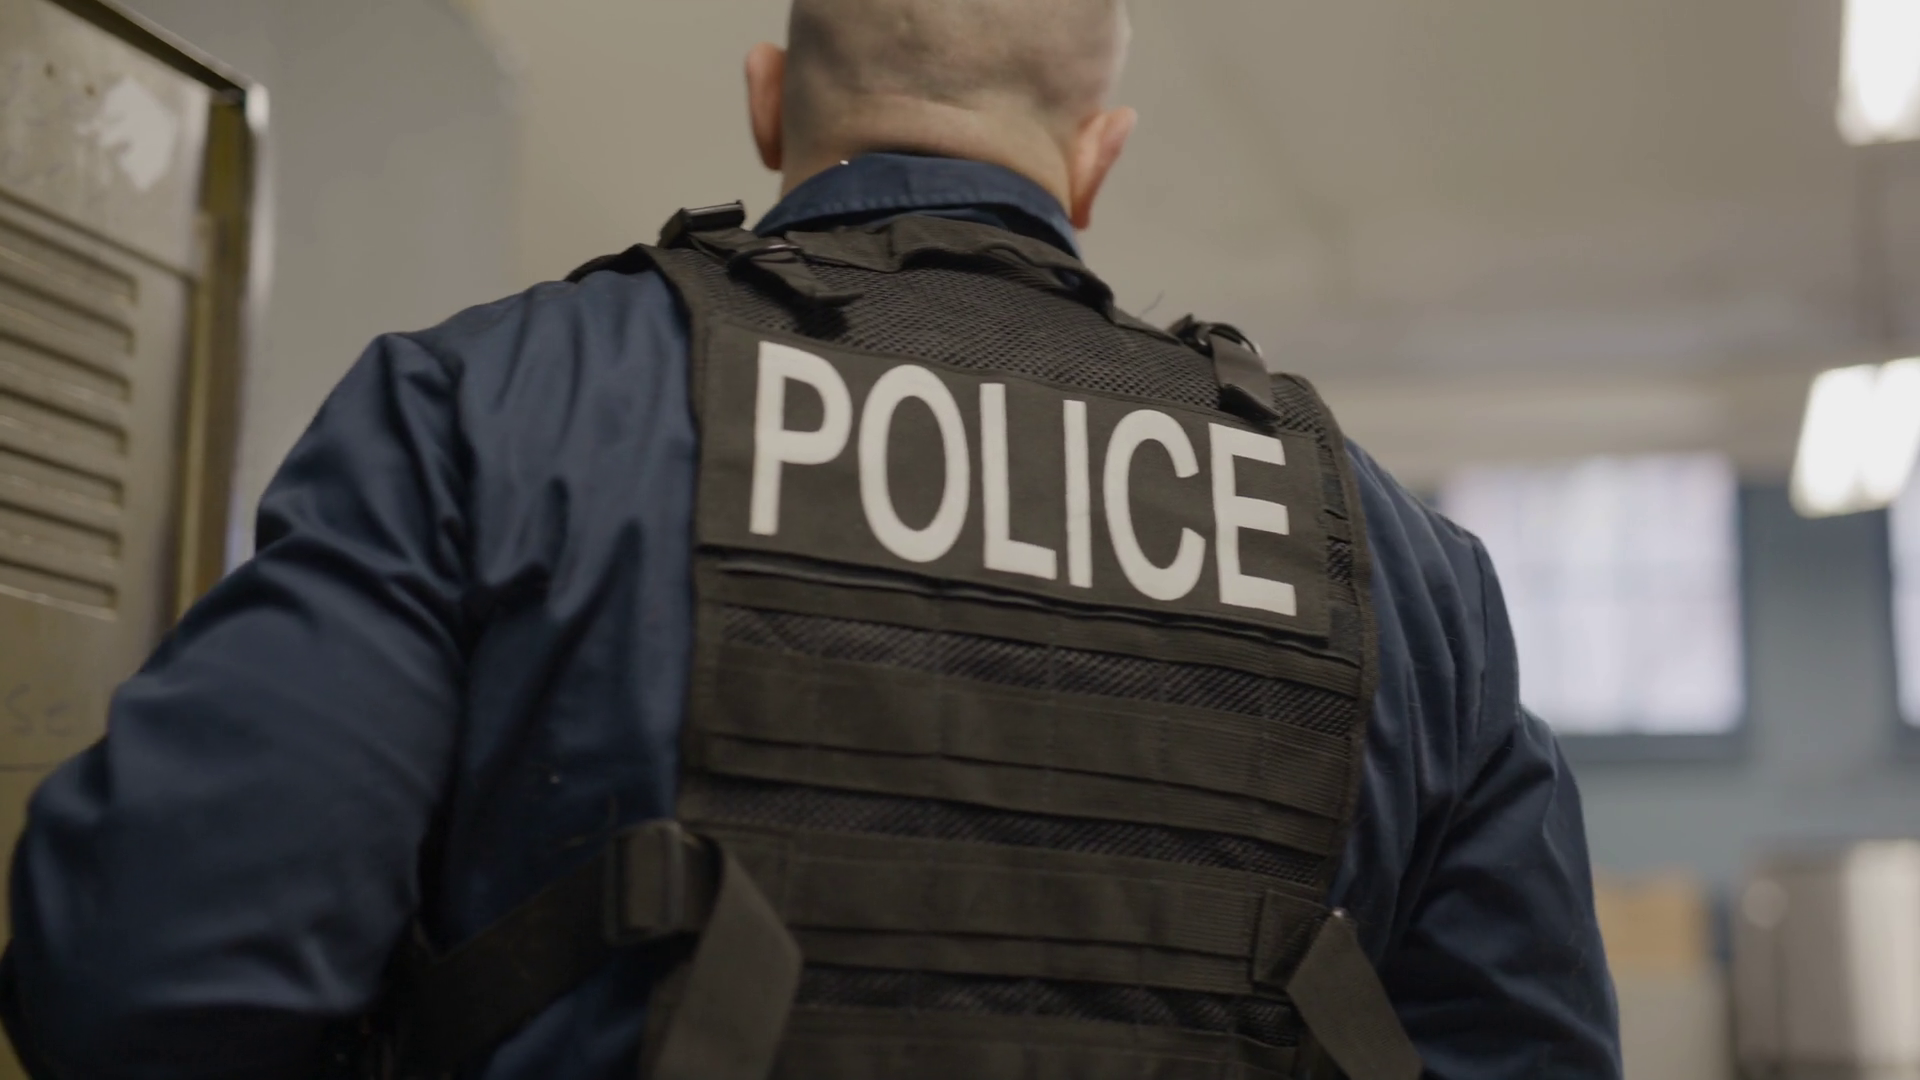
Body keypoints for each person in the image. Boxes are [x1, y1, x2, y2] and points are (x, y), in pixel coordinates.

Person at [0, 0, 1621, 1077]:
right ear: (1096, 159)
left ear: (771, 102)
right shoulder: (1400, 567)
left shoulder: (491, 411)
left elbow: (149, 984)